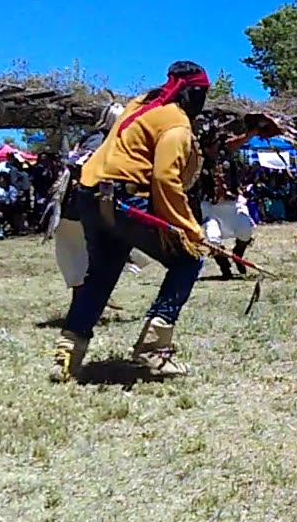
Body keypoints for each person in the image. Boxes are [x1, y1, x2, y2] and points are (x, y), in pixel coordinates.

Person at [48, 61, 211, 383]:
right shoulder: (177, 125)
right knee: (189, 260)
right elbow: (166, 180)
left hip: (91, 195)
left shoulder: (142, 102)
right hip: (125, 199)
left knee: (99, 277)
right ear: (194, 94)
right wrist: (190, 229)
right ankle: (154, 349)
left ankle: (68, 352)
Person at [47, 100, 153, 305]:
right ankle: (86, 305)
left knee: (88, 260)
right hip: (80, 210)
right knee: (82, 261)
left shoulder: (104, 140)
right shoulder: (100, 140)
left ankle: (91, 301)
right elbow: (81, 166)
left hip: (84, 210)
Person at [194, 119, 263, 277]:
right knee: (212, 239)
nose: (212, 148)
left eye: (214, 143)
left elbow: (241, 140)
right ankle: (224, 266)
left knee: (245, 231)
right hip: (211, 207)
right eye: (208, 145)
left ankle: (238, 254)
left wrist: (255, 130)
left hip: (233, 204)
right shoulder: (197, 159)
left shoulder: (226, 151)